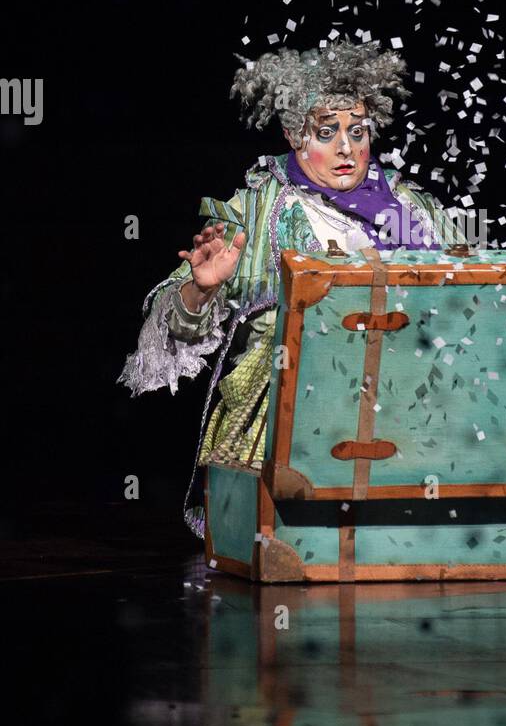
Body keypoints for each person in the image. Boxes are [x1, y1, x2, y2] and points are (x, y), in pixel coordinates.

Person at [118, 37, 462, 537]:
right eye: (327, 132)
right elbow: (176, 329)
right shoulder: (256, 210)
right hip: (296, 400)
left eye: (358, 131)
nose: (347, 148)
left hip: (410, 397)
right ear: (294, 133)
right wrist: (203, 289)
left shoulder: (413, 210)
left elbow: (475, 299)